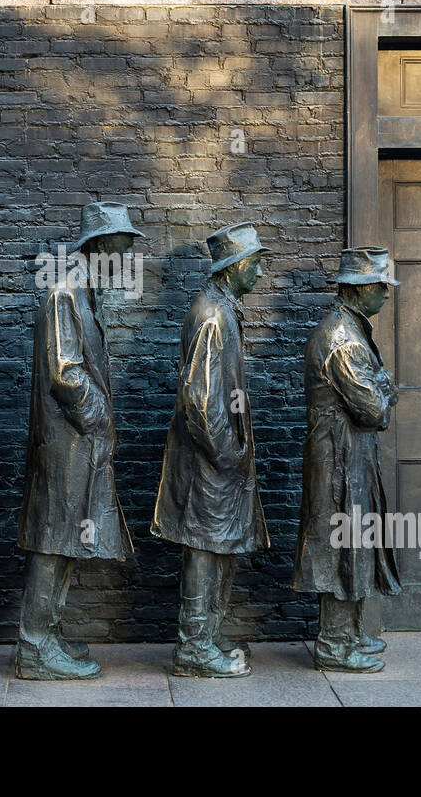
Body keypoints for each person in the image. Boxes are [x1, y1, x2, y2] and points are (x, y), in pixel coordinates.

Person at [16, 201, 143, 680]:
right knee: (53, 540)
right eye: (124, 246)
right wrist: (99, 419)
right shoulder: (64, 292)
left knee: (66, 539)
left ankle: (47, 631)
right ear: (100, 246)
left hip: (79, 443)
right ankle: (33, 646)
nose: (129, 256)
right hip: (65, 444)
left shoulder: (84, 290)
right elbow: (65, 373)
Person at [152, 222, 270, 678]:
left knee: (219, 544)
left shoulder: (223, 309)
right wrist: (226, 454)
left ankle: (208, 634)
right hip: (210, 460)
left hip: (221, 457)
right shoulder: (213, 315)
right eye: (256, 263)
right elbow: (199, 400)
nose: (260, 273)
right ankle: (194, 647)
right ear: (236, 266)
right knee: (204, 546)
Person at [292, 246, 402, 673]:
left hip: (352, 455)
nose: (386, 295)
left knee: (357, 543)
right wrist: (385, 388)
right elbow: (375, 409)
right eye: (381, 287)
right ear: (361, 289)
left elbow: (377, 399)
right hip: (340, 460)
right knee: (342, 545)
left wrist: (382, 389)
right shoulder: (341, 338)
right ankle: (335, 644)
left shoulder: (353, 329)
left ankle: (352, 633)